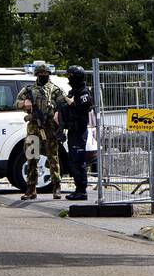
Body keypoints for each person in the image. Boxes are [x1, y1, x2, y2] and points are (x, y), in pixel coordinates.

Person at [15, 61, 62, 200]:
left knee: (53, 157)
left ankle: (56, 187)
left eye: (45, 74)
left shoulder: (55, 90)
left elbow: (64, 103)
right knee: (31, 158)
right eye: (41, 74)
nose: (43, 76)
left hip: (50, 127)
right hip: (34, 128)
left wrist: (56, 112)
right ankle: (31, 188)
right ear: (36, 75)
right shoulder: (28, 90)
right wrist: (24, 104)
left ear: (49, 74)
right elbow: (16, 103)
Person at [61, 65, 94, 201]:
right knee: (74, 160)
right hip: (73, 130)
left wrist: (71, 104)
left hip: (79, 131)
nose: (69, 79)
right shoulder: (74, 91)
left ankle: (82, 190)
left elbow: (83, 109)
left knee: (79, 161)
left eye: (71, 76)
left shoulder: (83, 93)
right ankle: (78, 189)